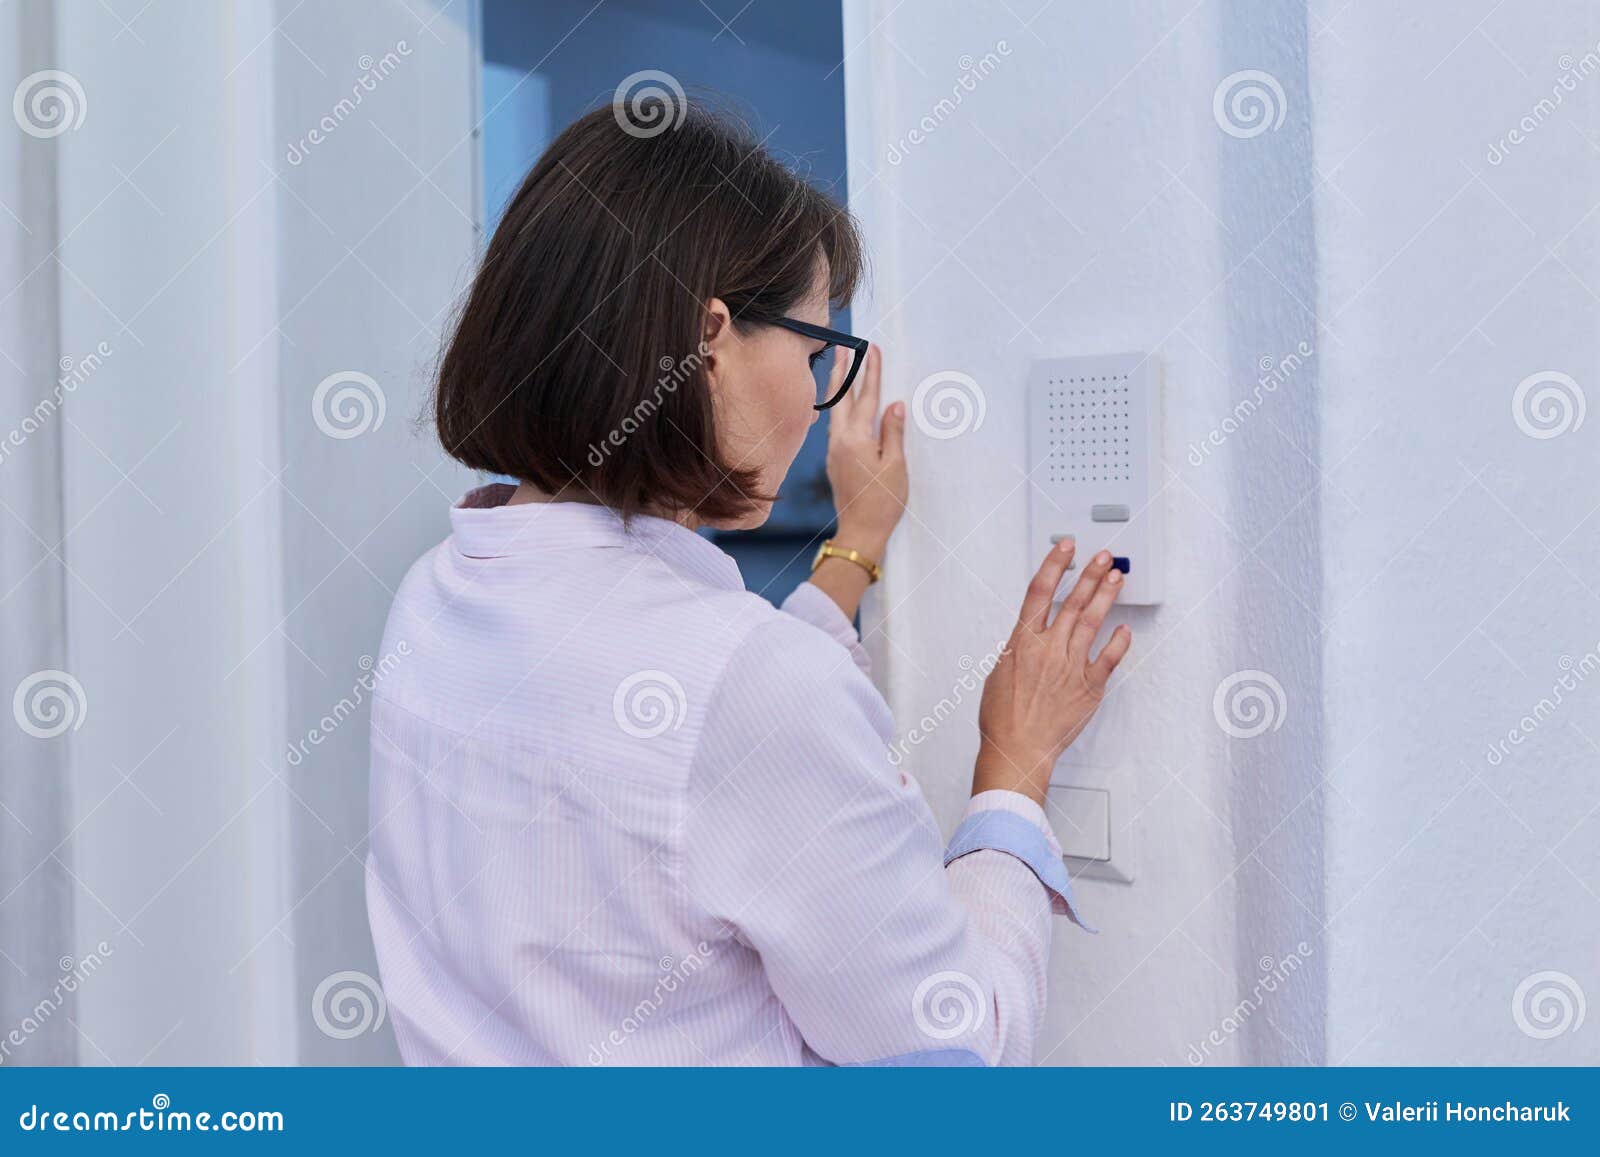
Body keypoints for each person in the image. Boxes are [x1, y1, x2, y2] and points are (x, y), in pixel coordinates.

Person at [364, 102, 1131, 1066]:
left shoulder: (434, 597)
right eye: (812, 353)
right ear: (710, 340)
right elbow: (957, 1049)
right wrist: (1014, 769)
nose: (816, 398)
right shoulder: (749, 687)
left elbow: (693, 740)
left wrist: (855, 546)